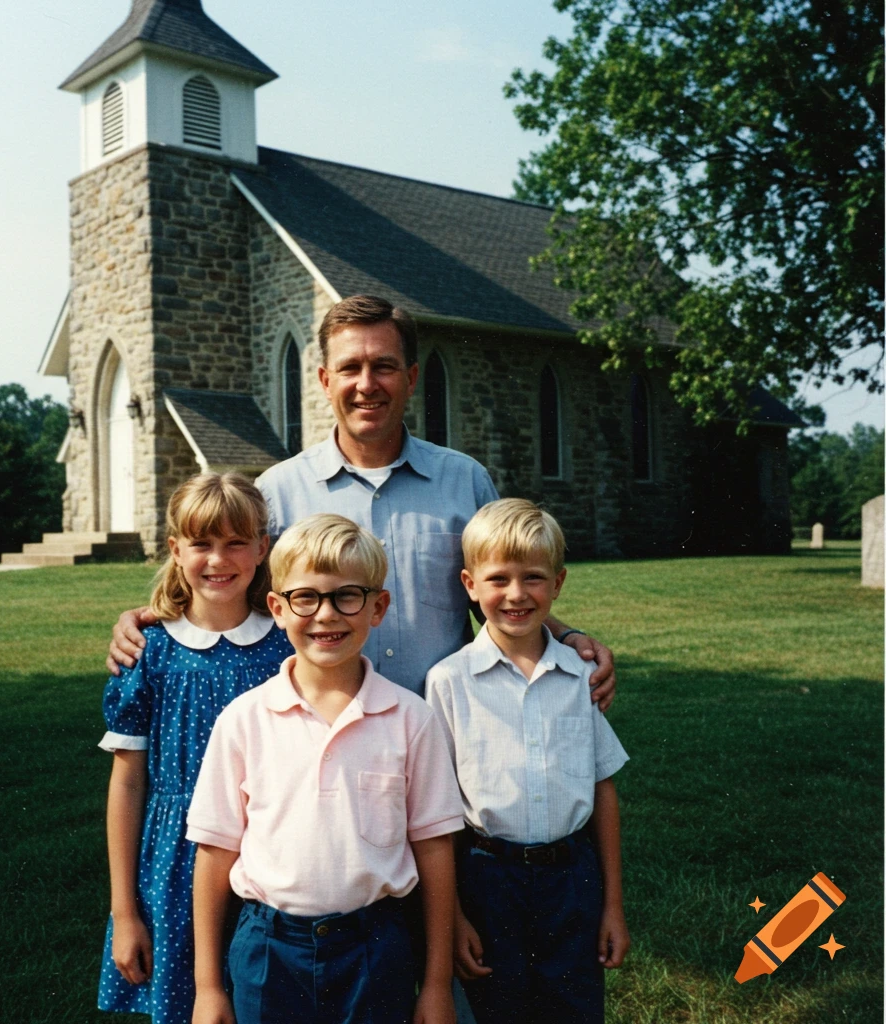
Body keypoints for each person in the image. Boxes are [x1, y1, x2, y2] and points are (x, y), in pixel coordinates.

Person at [107, 295, 616, 708]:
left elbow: (500, 595)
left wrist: (567, 637)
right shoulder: (278, 493)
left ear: (411, 378)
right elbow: (227, 591)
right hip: (321, 739)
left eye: (384, 367)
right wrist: (147, 621)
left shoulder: (465, 481)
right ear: (326, 380)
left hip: (447, 728)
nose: (366, 385)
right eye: (350, 368)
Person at [186, 514, 464, 1024]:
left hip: (375, 948)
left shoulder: (410, 719)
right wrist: (207, 987)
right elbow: (214, 851)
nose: (326, 615)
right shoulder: (244, 720)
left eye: (347, 596)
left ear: (378, 606)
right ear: (277, 607)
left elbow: (435, 848)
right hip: (269, 951)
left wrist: (438, 984)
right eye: (306, 598)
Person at [97, 473, 293, 1024]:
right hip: (175, 863)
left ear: (262, 548)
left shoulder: (286, 647)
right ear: (175, 549)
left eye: (235, 542)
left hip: (269, 852)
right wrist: (125, 910)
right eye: (202, 543)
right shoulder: (149, 652)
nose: (218, 559)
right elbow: (128, 781)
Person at [425, 499, 629, 1023]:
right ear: (470, 585)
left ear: (558, 584)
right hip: (487, 880)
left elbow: (603, 789)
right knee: (500, 1011)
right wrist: (454, 918)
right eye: (498, 579)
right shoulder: (449, 682)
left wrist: (612, 906)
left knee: (574, 1008)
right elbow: (439, 811)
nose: (516, 594)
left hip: (572, 881)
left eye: (533, 577)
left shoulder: (579, 675)